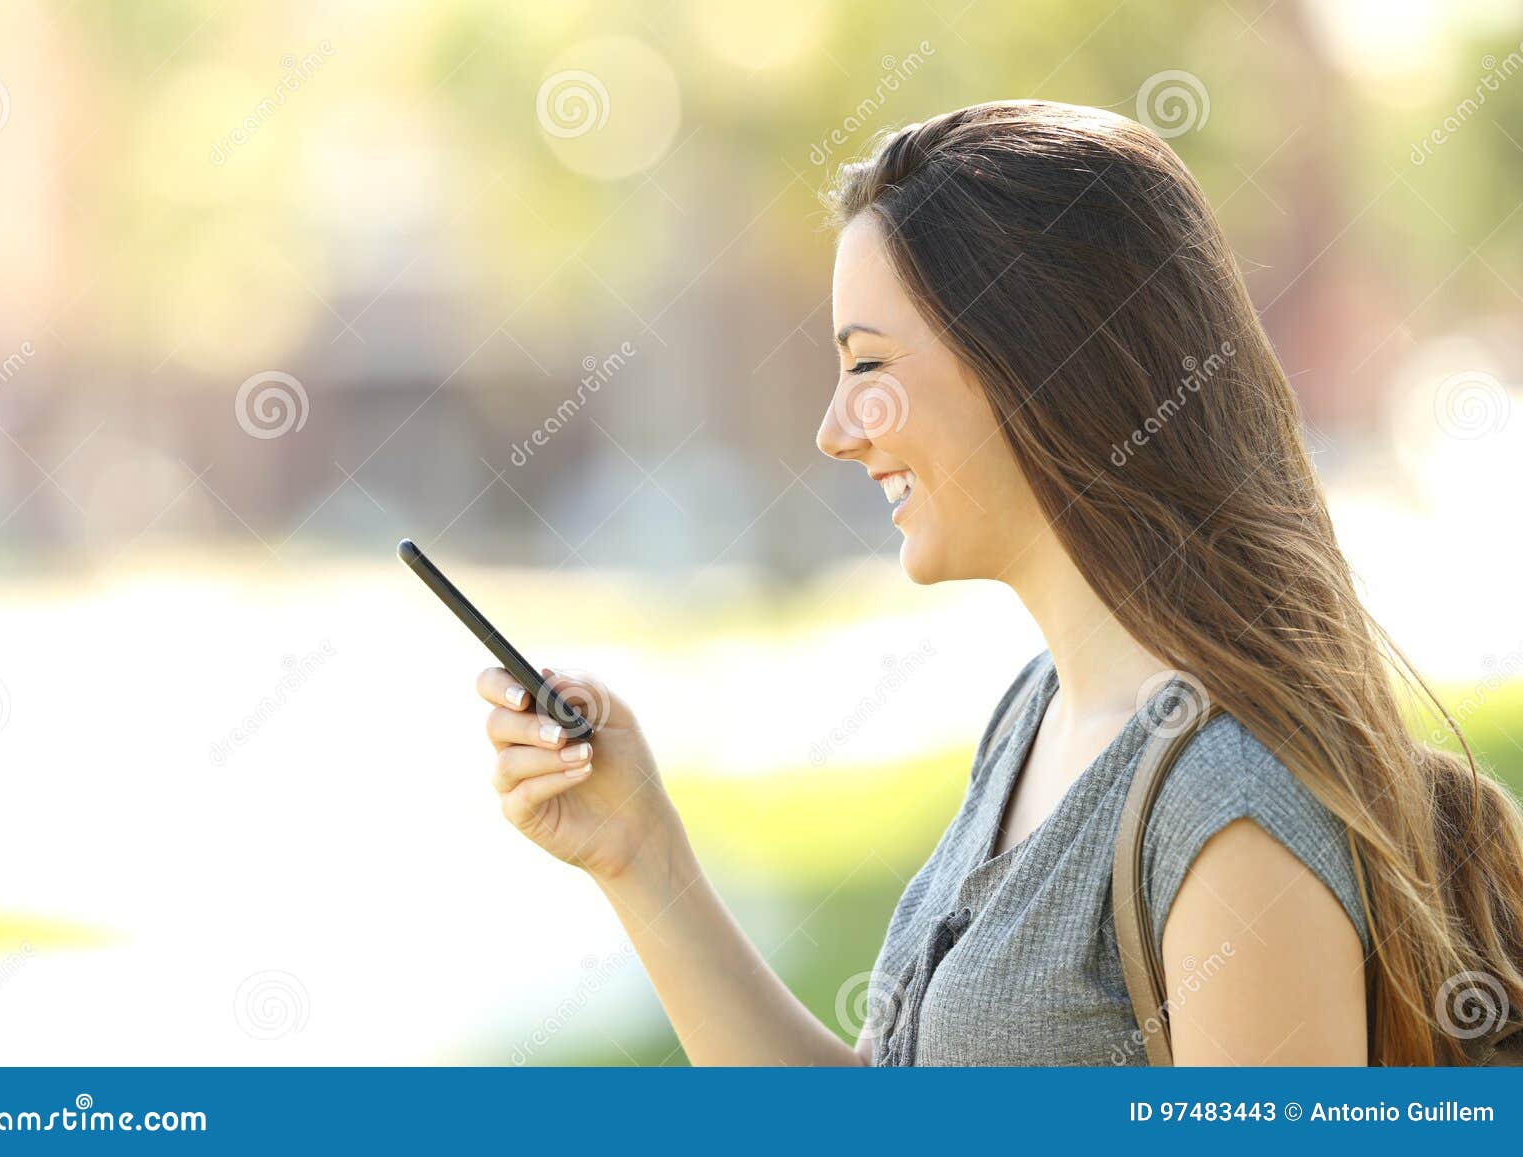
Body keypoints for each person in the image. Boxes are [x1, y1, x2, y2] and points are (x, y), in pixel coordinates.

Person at [473, 101, 1523, 1065]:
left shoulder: (1228, 801)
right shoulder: (1038, 714)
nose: (835, 431)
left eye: (868, 366)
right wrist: (642, 857)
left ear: (1034, 360)